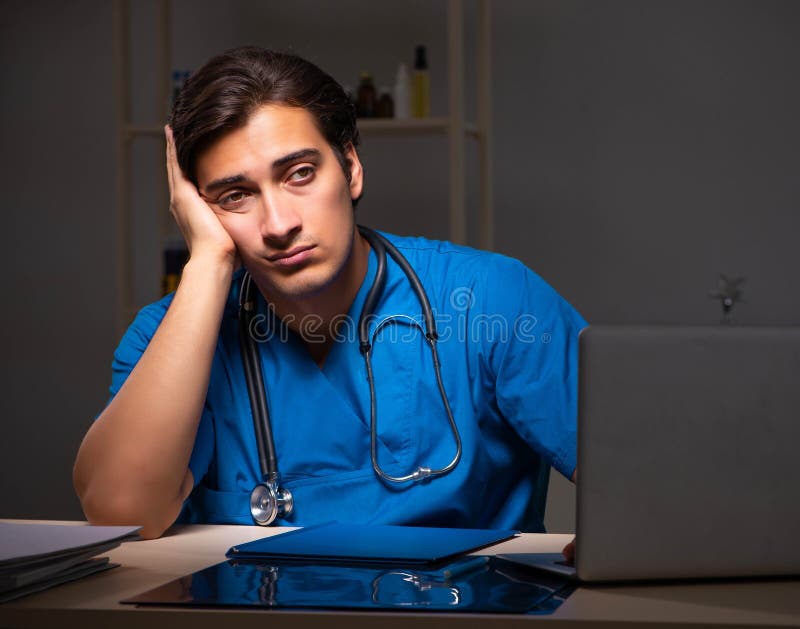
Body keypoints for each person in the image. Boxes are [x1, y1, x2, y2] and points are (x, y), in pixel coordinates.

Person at [73, 47, 586, 544]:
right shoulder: (169, 338)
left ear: (351, 169)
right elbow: (123, 512)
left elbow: (644, 476)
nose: (278, 224)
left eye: (300, 174)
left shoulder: (489, 300)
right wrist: (208, 262)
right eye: (235, 196)